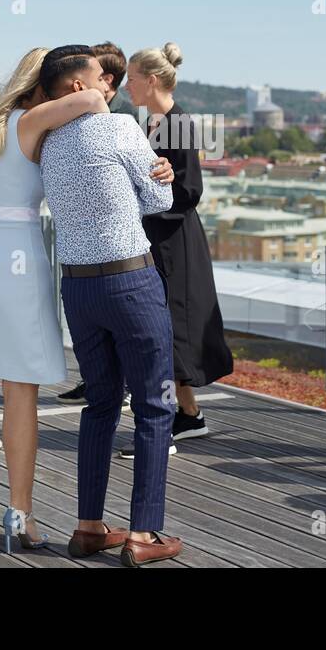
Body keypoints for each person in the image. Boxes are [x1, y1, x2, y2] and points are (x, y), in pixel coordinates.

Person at [0, 48, 175, 553]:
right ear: (48, 82)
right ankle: (19, 514)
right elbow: (91, 98)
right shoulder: (33, 120)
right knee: (20, 386)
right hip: (17, 255)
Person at [38, 45, 183, 567]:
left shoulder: (48, 144)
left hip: (77, 289)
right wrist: (158, 173)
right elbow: (159, 202)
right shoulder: (121, 128)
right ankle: (145, 533)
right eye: (103, 76)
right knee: (152, 405)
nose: (111, 84)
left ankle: (88, 527)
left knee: (100, 404)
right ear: (79, 87)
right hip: (131, 282)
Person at [121, 42, 232, 453]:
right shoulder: (154, 121)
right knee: (167, 332)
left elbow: (189, 189)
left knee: (168, 334)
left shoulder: (174, 123)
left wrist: (141, 211)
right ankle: (188, 416)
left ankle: (164, 425)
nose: (125, 86)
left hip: (174, 242)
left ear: (151, 80)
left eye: (131, 79)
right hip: (162, 238)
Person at [56, 40, 138, 405]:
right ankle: (100, 383)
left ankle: (113, 386)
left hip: (118, 251)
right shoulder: (86, 114)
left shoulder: (121, 118)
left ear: (107, 79)